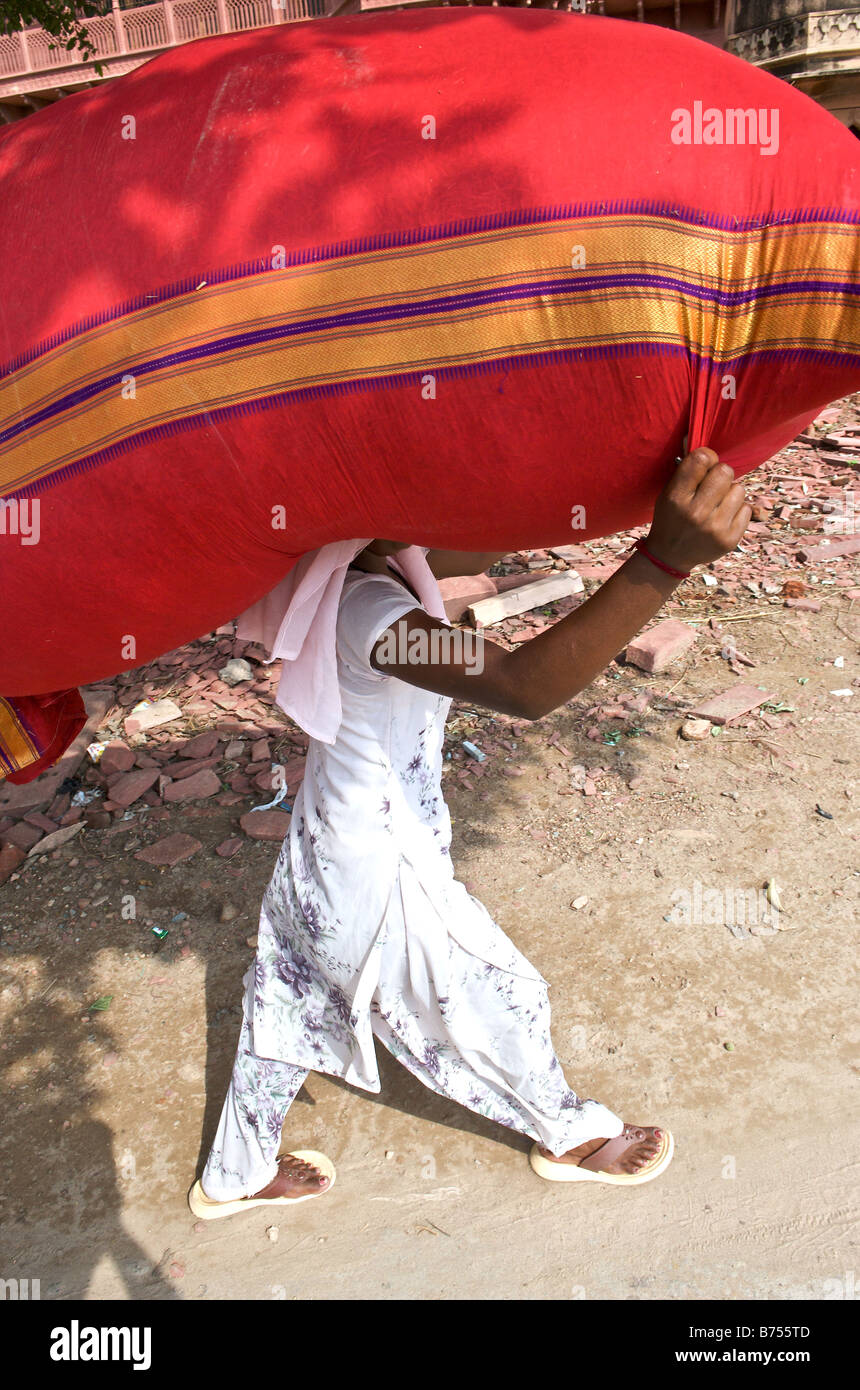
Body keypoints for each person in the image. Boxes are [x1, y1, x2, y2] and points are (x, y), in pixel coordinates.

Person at [189, 446, 750, 1218]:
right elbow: (523, 685)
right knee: (494, 994)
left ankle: (234, 1174)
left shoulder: (366, 585)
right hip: (383, 869)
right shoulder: (377, 616)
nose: (502, 542)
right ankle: (570, 1134)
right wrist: (662, 562)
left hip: (324, 850)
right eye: (483, 522)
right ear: (393, 534)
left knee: (289, 1001)